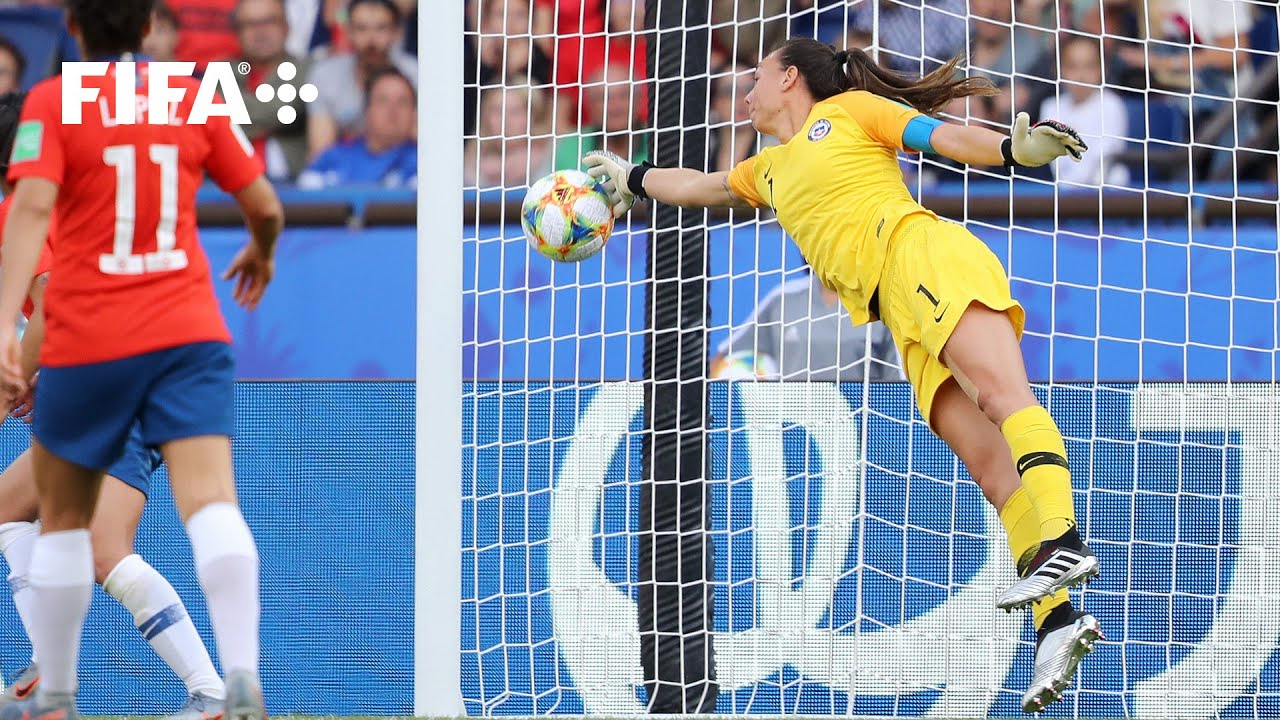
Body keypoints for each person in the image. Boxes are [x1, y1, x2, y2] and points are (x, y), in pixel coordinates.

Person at [584, 37, 1101, 713]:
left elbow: (942, 136)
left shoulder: (850, 111)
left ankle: (1062, 539)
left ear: (790, 78)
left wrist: (1012, 151)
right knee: (993, 472)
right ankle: (1058, 621)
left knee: (1006, 398)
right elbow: (696, 187)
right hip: (895, 311)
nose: (746, 93)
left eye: (756, 76)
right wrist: (633, 178)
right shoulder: (769, 169)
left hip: (924, 256)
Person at [0, 1, 283, 718]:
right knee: (211, 504)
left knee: (70, 527)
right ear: (151, 25)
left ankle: (58, 689)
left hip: (95, 339)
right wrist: (262, 250)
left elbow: (33, 224)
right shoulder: (191, 92)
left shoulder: (55, 102)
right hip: (185, 329)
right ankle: (239, 677)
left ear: (72, 27)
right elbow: (265, 206)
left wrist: (9, 334)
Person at [0, 90, 223, 720]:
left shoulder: (27, 206)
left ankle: (210, 694)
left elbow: (51, 303)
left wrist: (16, 380)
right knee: (9, 512)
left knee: (104, 549)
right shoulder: (83, 196)